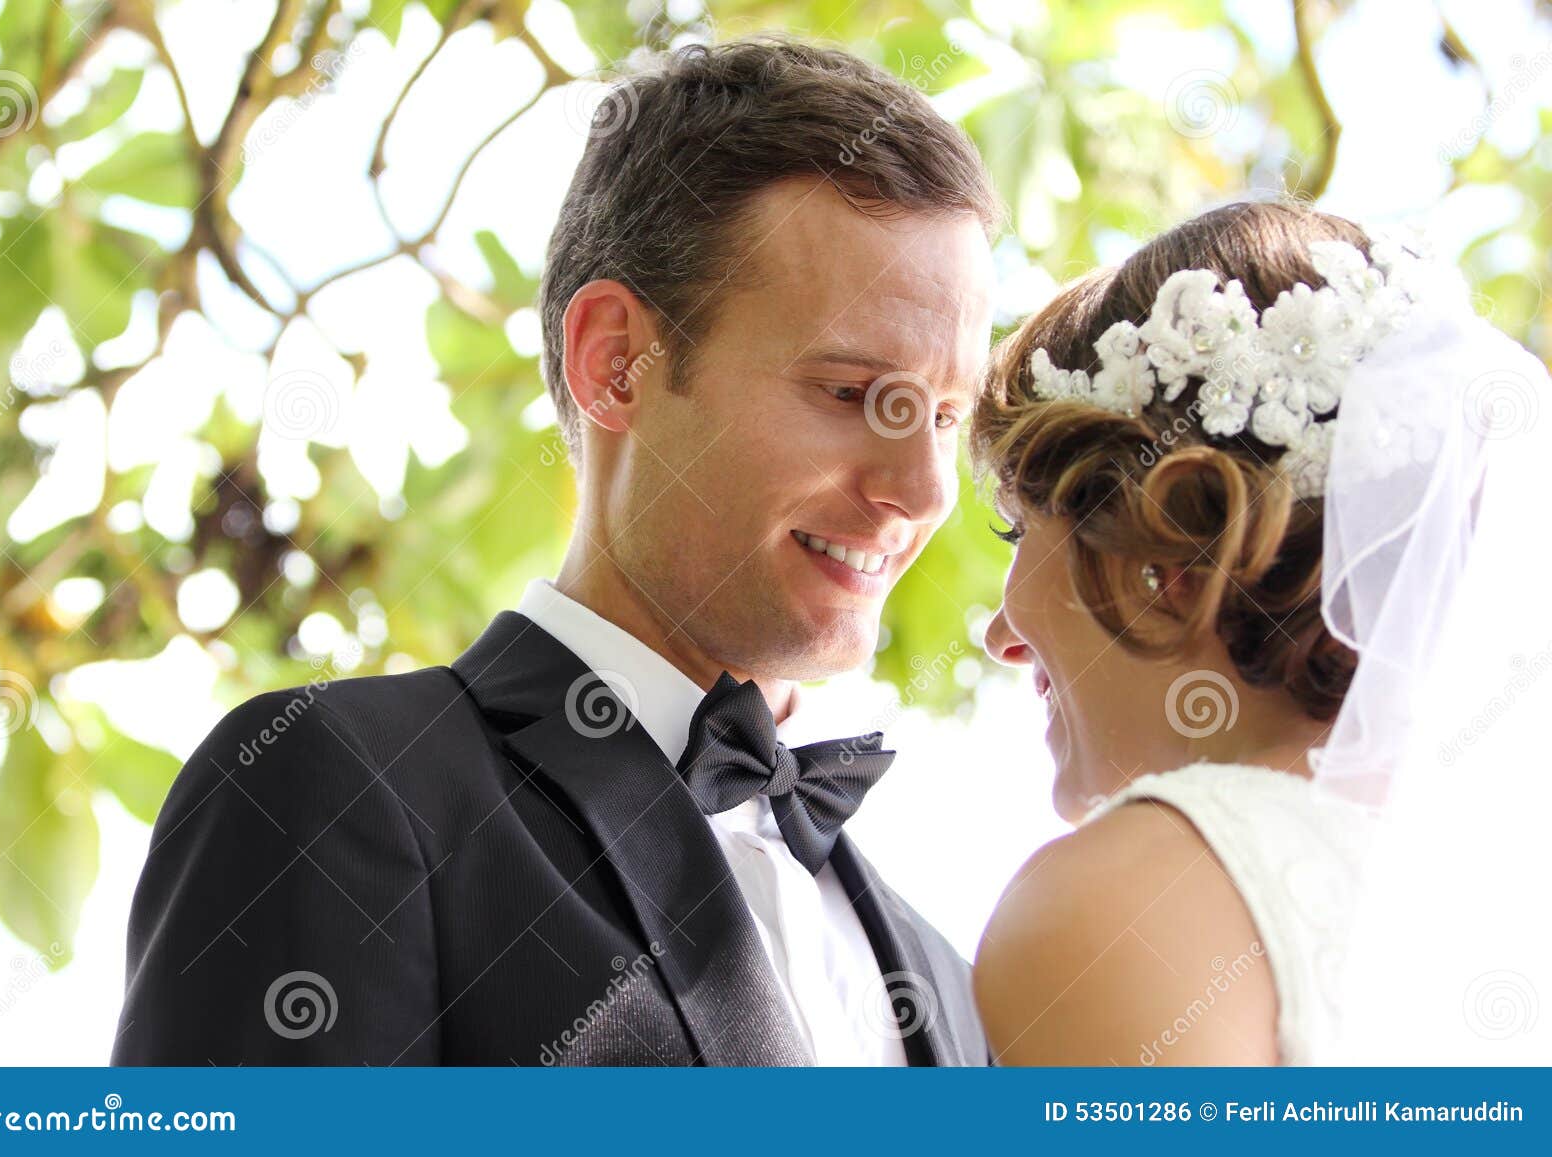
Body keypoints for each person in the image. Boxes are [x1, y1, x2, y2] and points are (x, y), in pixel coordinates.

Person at [111, 36, 1001, 1066]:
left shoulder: (945, 976)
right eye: (849, 393)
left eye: (943, 416)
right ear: (617, 363)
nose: (925, 491)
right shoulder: (342, 793)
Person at [968, 199, 1552, 1064]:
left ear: (1157, 547)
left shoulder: (1116, 909)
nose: (999, 637)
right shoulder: (1497, 907)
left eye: (1021, 531)